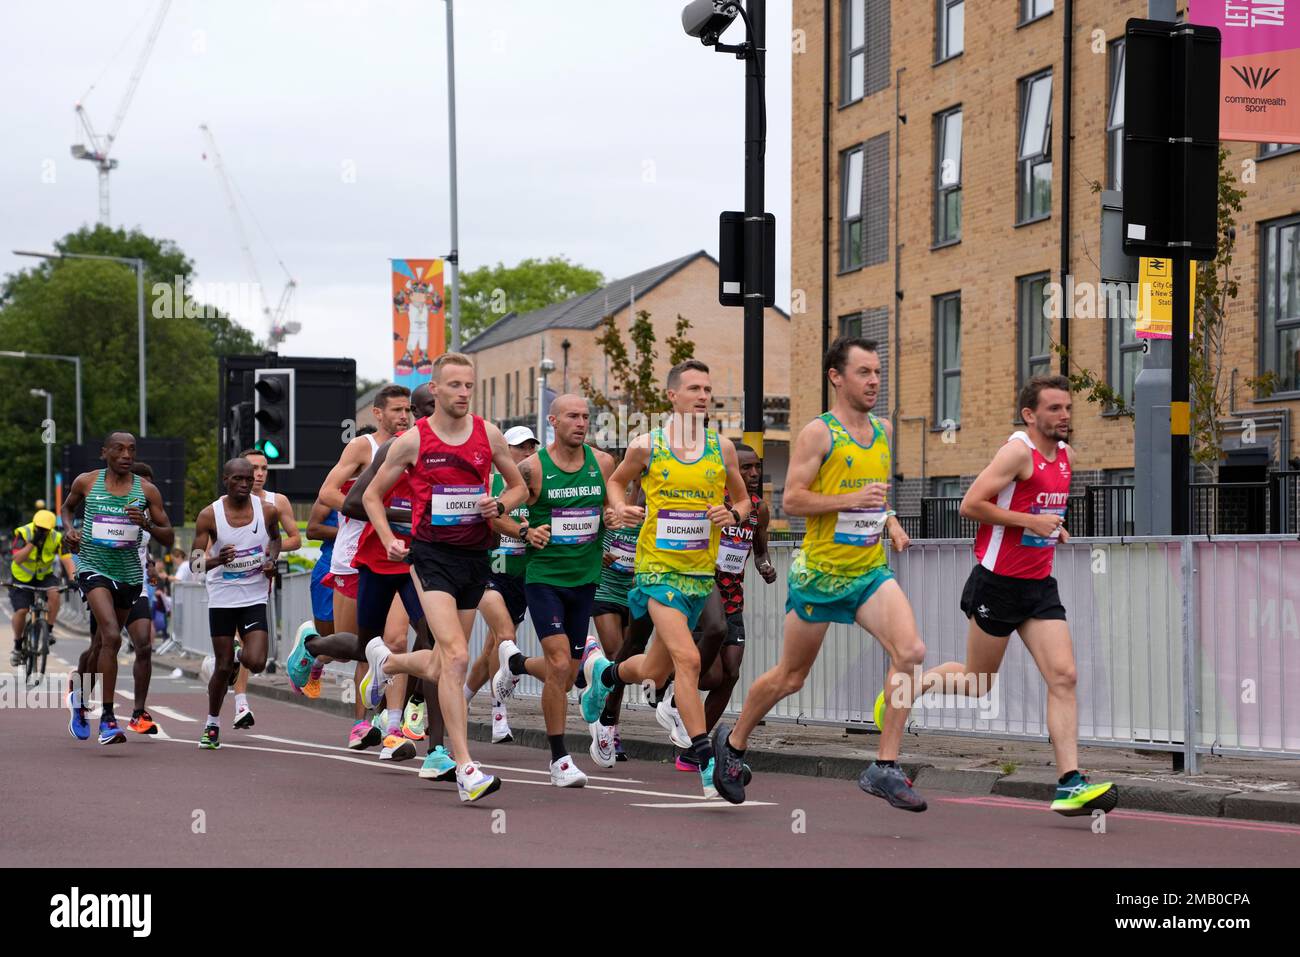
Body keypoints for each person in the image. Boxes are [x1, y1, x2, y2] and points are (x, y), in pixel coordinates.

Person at [709, 338, 927, 810]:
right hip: (820, 575)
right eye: (864, 372)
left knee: (910, 651)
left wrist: (889, 520)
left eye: (877, 372)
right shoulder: (818, 433)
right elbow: (793, 501)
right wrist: (852, 501)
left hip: (869, 571)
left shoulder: (885, 431)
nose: (874, 381)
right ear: (836, 377)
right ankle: (735, 742)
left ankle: (884, 767)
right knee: (791, 677)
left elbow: (875, 494)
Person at [899, 374, 1117, 818]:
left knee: (1064, 676)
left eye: (1068, 408)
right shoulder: (1017, 451)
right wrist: (1028, 523)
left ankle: (1069, 783)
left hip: (1039, 585)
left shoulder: (1066, 457)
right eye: (1055, 409)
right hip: (997, 582)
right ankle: (915, 685)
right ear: (1030, 414)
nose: (1065, 416)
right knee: (978, 682)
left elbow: (1041, 510)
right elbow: (970, 504)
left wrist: (1051, 526)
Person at [354, 353, 528, 802]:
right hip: (430, 557)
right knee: (453, 657)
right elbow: (371, 496)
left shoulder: (488, 434)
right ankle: (464, 765)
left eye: (469, 385)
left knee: (442, 663)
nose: (463, 393)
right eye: (454, 385)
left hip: (475, 556)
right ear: (434, 389)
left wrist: (500, 506)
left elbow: (520, 487)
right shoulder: (413, 440)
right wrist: (391, 538)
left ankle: (386, 663)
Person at [577, 359, 751, 797]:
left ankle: (604, 675)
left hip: (699, 573)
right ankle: (705, 761)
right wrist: (620, 508)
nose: (703, 396)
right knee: (688, 662)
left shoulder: (722, 448)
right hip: (656, 569)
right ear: (672, 396)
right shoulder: (646, 446)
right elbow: (615, 484)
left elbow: (746, 502)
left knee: (654, 669)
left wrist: (730, 513)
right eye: (694, 388)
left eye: (708, 389)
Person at [488, 395, 615, 786]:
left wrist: (611, 521)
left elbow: (611, 510)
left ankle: (516, 665)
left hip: (586, 579)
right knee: (560, 664)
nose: (581, 423)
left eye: (586, 417)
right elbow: (497, 514)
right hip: (544, 579)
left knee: (569, 671)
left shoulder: (603, 463)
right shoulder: (530, 469)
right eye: (572, 417)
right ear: (553, 421)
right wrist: (525, 531)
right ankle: (560, 759)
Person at [313, 384, 411, 748]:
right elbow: (327, 493)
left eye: (408, 410)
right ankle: (314, 651)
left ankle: (394, 726)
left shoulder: (413, 447)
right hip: (354, 555)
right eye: (397, 410)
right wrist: (372, 510)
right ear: (378, 413)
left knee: (397, 641)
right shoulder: (362, 447)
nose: (404, 416)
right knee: (361, 645)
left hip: (396, 555)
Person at [60, 432, 174, 744]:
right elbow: (67, 509)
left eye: (131, 450)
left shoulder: (147, 491)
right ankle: (108, 719)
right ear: (104, 453)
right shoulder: (87, 482)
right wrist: (69, 531)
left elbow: (169, 538)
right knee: (111, 636)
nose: (126, 455)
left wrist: (147, 524)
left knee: (101, 644)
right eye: (119, 449)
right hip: (93, 569)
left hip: (129, 576)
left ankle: (79, 701)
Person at [672, 442, 777, 772]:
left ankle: (693, 749)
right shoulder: (711, 500)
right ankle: (676, 695)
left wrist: (765, 565)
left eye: (757, 467)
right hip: (703, 590)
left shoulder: (758, 507)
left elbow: (759, 548)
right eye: (746, 468)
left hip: (734, 596)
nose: (754, 474)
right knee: (710, 674)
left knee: (730, 673)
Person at [192, 458, 281, 749]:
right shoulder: (209, 515)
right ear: (225, 481)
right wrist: (218, 559)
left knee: (255, 661)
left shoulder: (267, 510)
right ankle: (212, 723)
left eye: (248, 478)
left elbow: (276, 539)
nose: (244, 484)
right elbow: (195, 565)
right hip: (222, 598)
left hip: (254, 595)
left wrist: (271, 561)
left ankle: (239, 653)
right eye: (237, 479)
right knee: (222, 666)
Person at [464, 425, 538, 745]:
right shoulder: (492, 483)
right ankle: (499, 714)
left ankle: (460, 699)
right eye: (521, 447)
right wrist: (519, 531)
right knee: (505, 637)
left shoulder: (535, 487)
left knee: (490, 649)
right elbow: (490, 520)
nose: (528, 452)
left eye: (532, 446)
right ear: (503, 451)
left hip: (522, 576)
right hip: (490, 572)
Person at [227, 447, 304, 729]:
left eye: (263, 469)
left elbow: (295, 539)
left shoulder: (276, 502)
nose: (258, 474)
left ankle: (240, 704)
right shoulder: (224, 504)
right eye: (252, 468)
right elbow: (211, 544)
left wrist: (268, 551)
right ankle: (239, 703)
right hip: (229, 580)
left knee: (247, 644)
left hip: (259, 581)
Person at [8, 508, 62, 667]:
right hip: (22, 577)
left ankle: (49, 630)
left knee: (55, 593)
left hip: (44, 575)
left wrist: (73, 578)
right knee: (22, 611)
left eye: (45, 530)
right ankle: (18, 646)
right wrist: (32, 543)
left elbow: (66, 559)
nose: (42, 531)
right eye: (39, 528)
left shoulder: (56, 537)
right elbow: (17, 559)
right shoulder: (23, 534)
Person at [301, 501, 339, 698]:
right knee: (332, 645)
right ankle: (309, 652)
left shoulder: (381, 485)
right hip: (330, 569)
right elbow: (312, 530)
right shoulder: (333, 490)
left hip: (364, 570)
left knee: (363, 643)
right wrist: (350, 531)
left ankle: (379, 717)